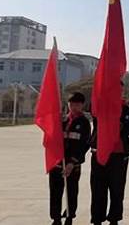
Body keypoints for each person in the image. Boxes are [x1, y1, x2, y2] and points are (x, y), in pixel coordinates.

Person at [90, 83, 129, 225]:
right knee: (98, 188)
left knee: (117, 189)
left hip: (119, 155)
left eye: (119, 90)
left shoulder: (126, 110)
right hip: (100, 152)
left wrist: (121, 125)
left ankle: (114, 219)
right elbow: (94, 114)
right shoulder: (100, 106)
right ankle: (97, 218)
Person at [49, 92, 91, 225]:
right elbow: (52, 140)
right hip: (57, 162)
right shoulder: (61, 120)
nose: (74, 107)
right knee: (55, 191)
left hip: (73, 164)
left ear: (82, 105)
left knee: (71, 191)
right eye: (71, 104)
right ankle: (56, 218)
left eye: (77, 104)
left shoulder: (84, 123)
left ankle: (69, 216)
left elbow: (84, 145)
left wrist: (72, 162)